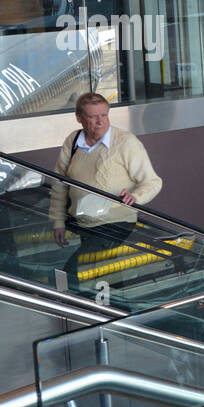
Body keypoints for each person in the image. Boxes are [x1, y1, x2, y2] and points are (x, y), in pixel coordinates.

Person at [50, 92, 163, 290]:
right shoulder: (73, 140)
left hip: (115, 222)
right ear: (79, 118)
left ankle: (91, 312)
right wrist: (58, 221)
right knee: (107, 276)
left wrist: (135, 196)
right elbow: (60, 183)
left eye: (104, 115)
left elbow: (153, 182)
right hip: (83, 222)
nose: (100, 122)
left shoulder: (126, 143)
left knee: (71, 275)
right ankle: (117, 311)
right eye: (93, 116)